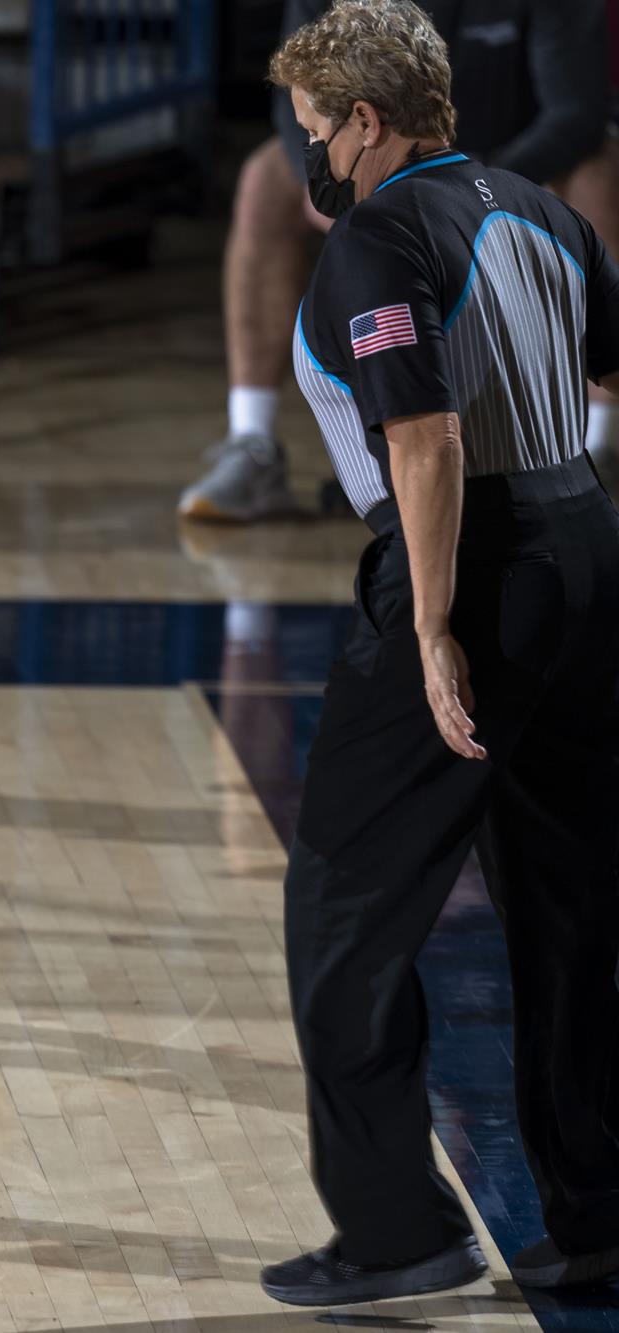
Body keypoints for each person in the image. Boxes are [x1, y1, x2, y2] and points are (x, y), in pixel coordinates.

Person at [258, 0, 619, 1305]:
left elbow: (423, 440)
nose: (307, 152)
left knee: (346, 907)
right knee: (572, 909)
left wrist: (426, 624)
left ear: (365, 121)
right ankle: (597, 1211)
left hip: (472, 569)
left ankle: (395, 1229)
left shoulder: (378, 232)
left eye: (313, 127)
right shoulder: (542, 207)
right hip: (587, 552)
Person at [182, 0, 618, 522]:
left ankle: (596, 442)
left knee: (599, 170)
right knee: (265, 179)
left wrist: (468, 188)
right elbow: (290, 104)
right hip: (376, 153)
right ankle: (251, 439)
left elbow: (575, 112)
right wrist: (321, 184)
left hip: (507, 160)